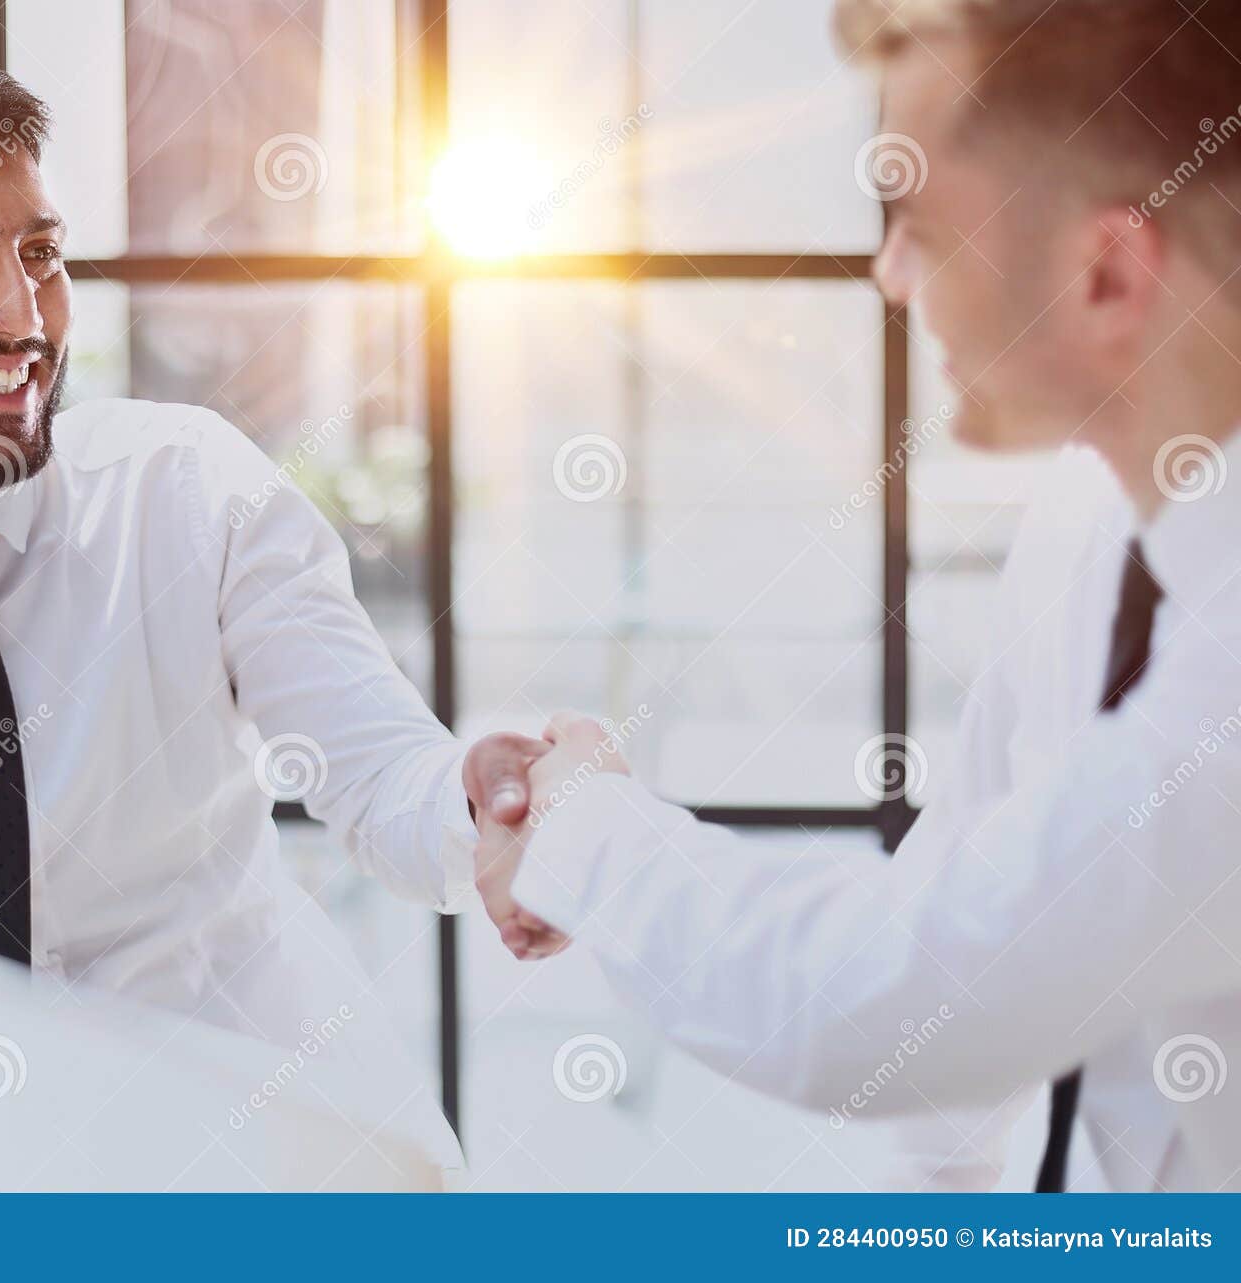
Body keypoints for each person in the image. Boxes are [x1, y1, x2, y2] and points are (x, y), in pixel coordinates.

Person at [0, 57, 555, 1149]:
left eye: (40, 255)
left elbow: (381, 780)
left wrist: (484, 810)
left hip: (264, 1129)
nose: (18, 313)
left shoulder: (190, 491)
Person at [478, 0, 1241, 1192]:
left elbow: (877, 991)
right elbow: (970, 890)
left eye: (919, 228)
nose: (889, 278)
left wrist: (577, 820)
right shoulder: (1084, 523)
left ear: (1103, 273)